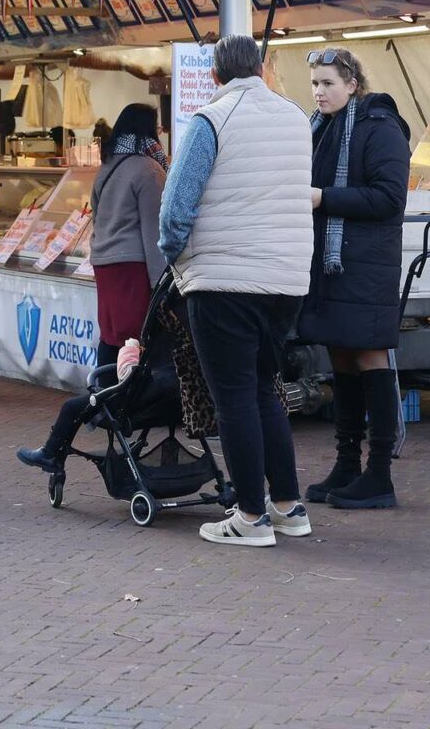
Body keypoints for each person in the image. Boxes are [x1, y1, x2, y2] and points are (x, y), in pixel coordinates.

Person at [158, 33, 314, 548]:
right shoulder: (296, 117)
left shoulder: (210, 119)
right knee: (264, 390)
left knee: (234, 400)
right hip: (287, 279)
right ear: (264, 70)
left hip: (224, 278)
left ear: (214, 74)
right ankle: (289, 506)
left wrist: (175, 254)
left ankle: (250, 516)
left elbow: (177, 206)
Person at [18, 103, 167, 477]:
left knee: (113, 335)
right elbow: (154, 233)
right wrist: (162, 283)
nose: (162, 131)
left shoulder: (109, 166)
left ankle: (98, 403)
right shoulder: (148, 170)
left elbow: (97, 219)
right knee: (135, 339)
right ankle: (114, 405)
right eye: (158, 125)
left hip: (104, 265)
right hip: (134, 265)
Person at [296, 48, 411, 510]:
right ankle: (347, 463)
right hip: (331, 263)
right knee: (340, 359)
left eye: (327, 83)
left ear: (352, 84)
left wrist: (323, 198)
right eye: (315, 84)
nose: (319, 92)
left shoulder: (379, 128)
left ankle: (379, 473)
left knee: (368, 358)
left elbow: (388, 198)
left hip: (364, 266)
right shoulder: (321, 128)